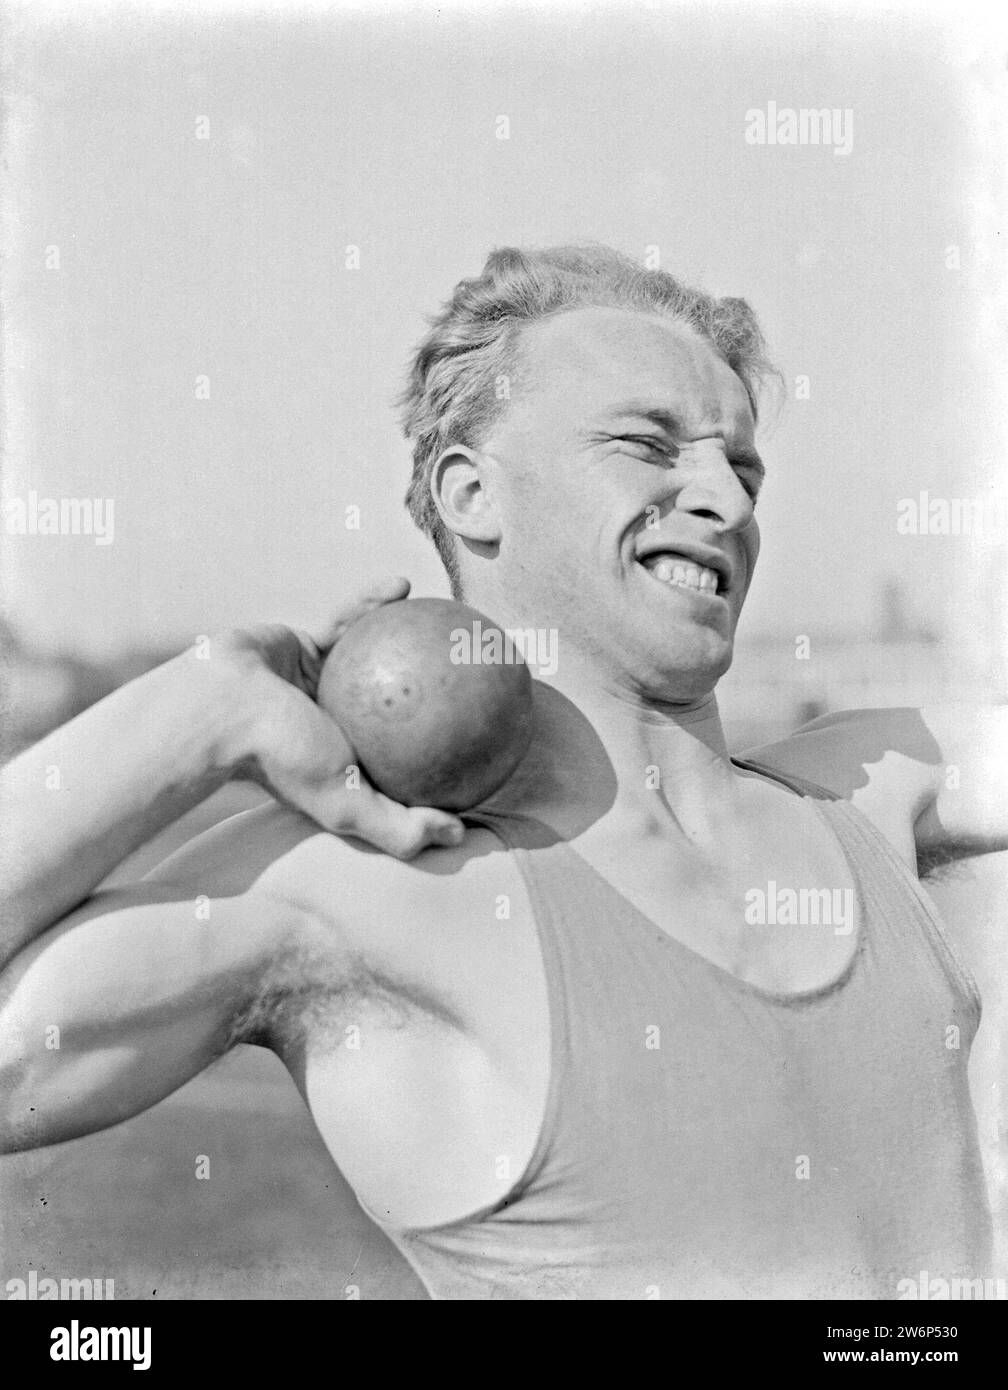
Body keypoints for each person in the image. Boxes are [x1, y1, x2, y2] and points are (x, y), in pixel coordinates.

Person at [2, 246, 1004, 1299]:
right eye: (648, 445)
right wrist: (201, 709)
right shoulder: (372, 893)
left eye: (742, 467)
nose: (726, 498)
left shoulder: (874, 782)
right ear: (473, 493)